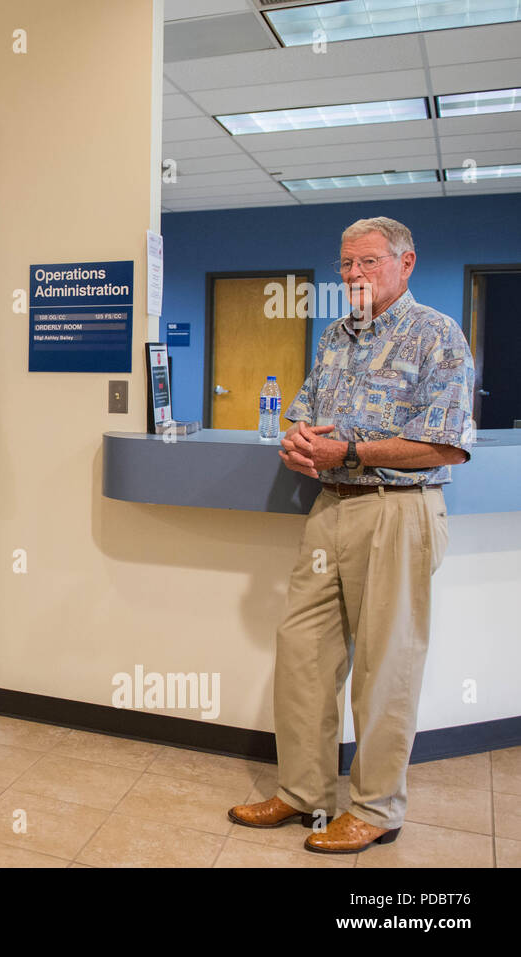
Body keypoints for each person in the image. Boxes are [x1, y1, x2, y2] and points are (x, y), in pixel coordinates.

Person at [228, 217, 474, 854]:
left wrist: (351, 452)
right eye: (346, 265)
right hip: (329, 508)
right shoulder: (337, 335)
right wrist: (298, 442)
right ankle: (303, 793)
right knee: (302, 652)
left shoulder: (438, 335)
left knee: (386, 667)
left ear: (405, 262)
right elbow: (305, 412)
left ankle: (376, 808)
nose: (354, 276)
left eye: (367, 263)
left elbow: (445, 446)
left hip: (398, 511)